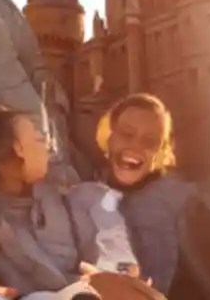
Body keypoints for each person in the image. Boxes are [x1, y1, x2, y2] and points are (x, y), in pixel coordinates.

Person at [0, 107, 165, 300]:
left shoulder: (75, 199)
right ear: (16, 151)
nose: (47, 147)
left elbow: (113, 254)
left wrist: (115, 276)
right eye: (37, 139)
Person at [69, 94, 193, 296]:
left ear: (161, 152)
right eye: (126, 134)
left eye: (149, 141)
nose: (135, 146)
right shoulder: (85, 196)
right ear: (109, 138)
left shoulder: (178, 204)